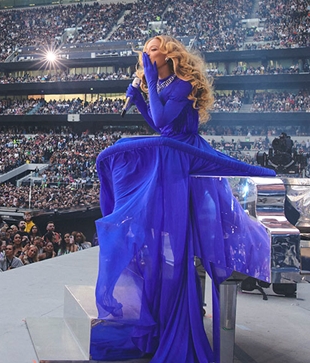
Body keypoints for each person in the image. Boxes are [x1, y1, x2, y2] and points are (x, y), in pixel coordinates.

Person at [94, 35, 275, 363]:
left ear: (168, 53)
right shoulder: (162, 85)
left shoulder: (180, 82)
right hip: (171, 152)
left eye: (152, 48)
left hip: (185, 156)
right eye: (145, 50)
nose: (146, 54)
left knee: (181, 242)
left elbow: (164, 123)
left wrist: (146, 79)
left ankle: (184, 321)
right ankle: (162, 318)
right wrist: (137, 98)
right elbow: (158, 126)